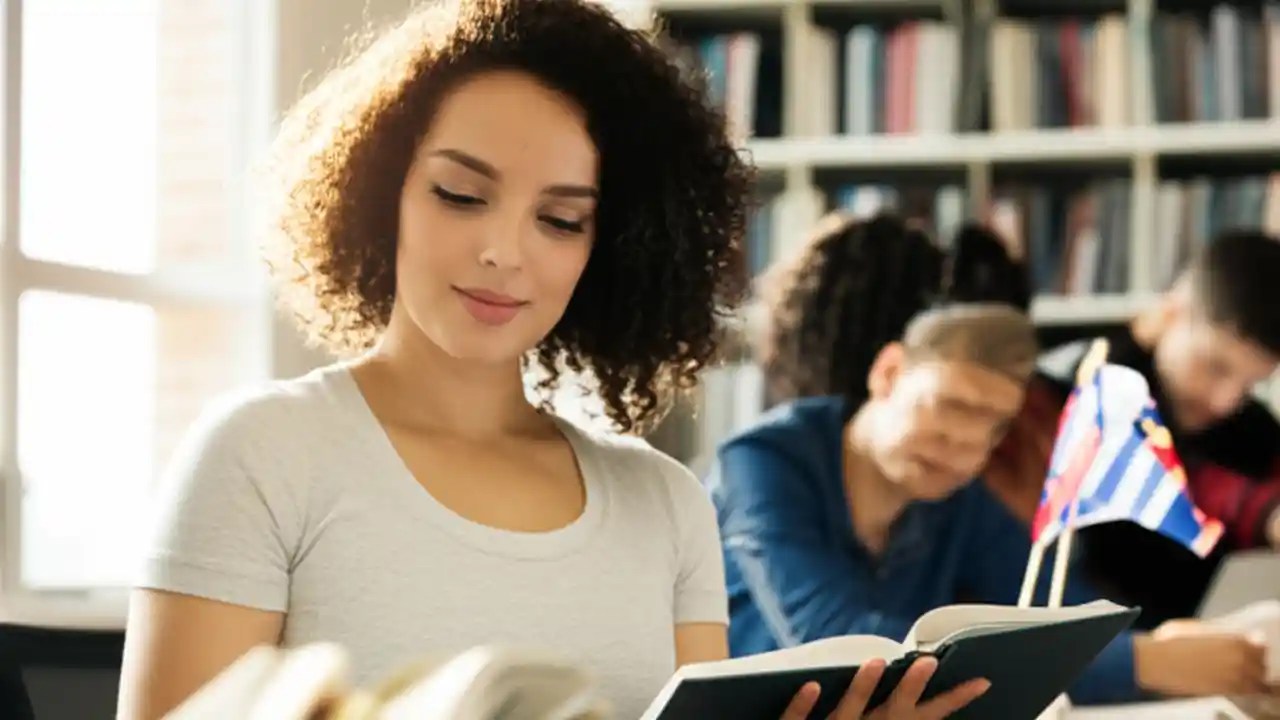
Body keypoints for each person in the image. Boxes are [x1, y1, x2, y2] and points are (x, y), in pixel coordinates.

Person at [116, 2, 984, 719]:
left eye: (561, 219)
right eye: (461, 194)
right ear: (381, 193)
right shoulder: (263, 454)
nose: (505, 251)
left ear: (608, 248)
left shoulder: (666, 505)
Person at [713, 213, 1273, 706]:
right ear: (889, 373)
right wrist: (1150, 660)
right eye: (951, 405)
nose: (966, 445)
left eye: (994, 427)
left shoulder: (955, 494)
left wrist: (1181, 645)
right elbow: (839, 643)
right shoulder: (760, 463)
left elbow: (1054, 623)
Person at [986, 229, 1280, 628]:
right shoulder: (1072, 389)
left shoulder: (1256, 430)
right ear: (1171, 312)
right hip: (1086, 642)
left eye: (1250, 384)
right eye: (1215, 366)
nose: (1225, 400)